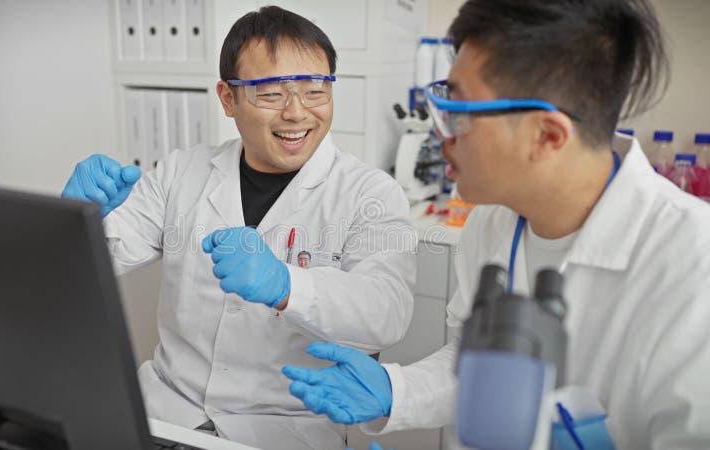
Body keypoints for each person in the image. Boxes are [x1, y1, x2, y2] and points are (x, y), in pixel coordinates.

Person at [282, 0, 710, 448]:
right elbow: (474, 362)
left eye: (459, 111)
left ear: (547, 135)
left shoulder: (690, 264)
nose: (440, 133)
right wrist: (396, 390)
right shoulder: (492, 223)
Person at [61, 6, 416, 450]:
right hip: (165, 415)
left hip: (284, 431)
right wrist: (74, 221)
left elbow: (388, 313)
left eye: (315, 90)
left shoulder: (369, 193)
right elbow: (93, 262)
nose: (296, 112)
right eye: (270, 94)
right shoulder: (181, 172)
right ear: (227, 98)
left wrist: (289, 286)